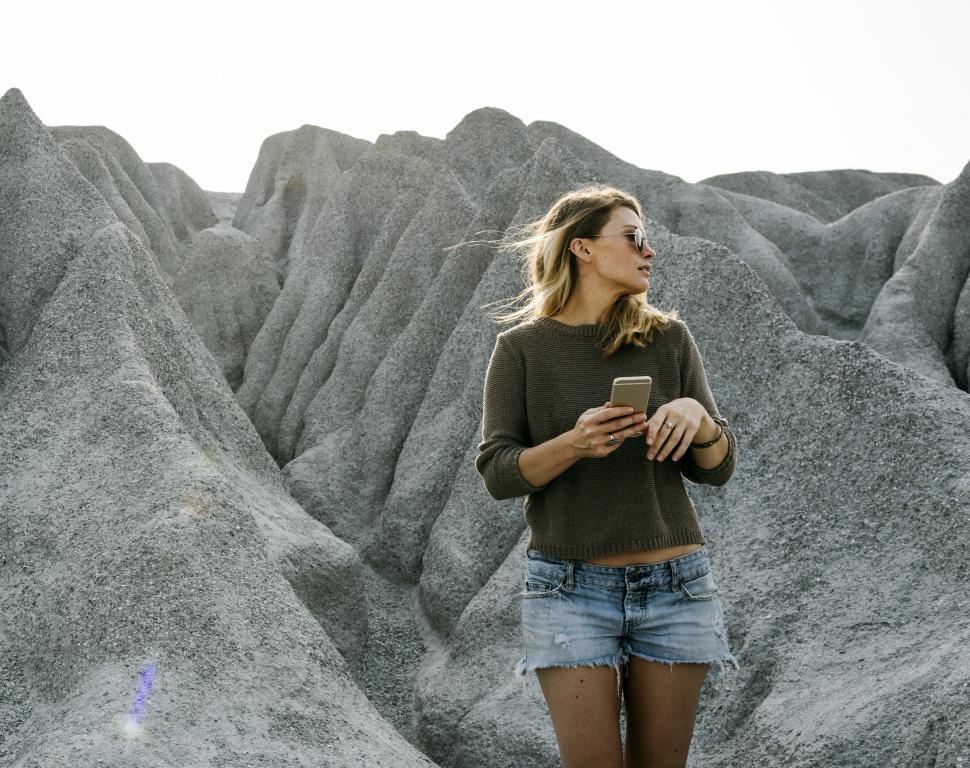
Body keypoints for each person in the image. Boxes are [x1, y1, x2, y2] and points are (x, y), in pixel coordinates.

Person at [473, 185, 740, 768]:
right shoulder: (519, 349)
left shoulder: (669, 339)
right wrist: (575, 443)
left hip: (676, 585)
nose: (650, 251)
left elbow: (717, 471)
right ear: (582, 249)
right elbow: (497, 471)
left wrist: (700, 422)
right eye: (634, 237)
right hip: (568, 591)